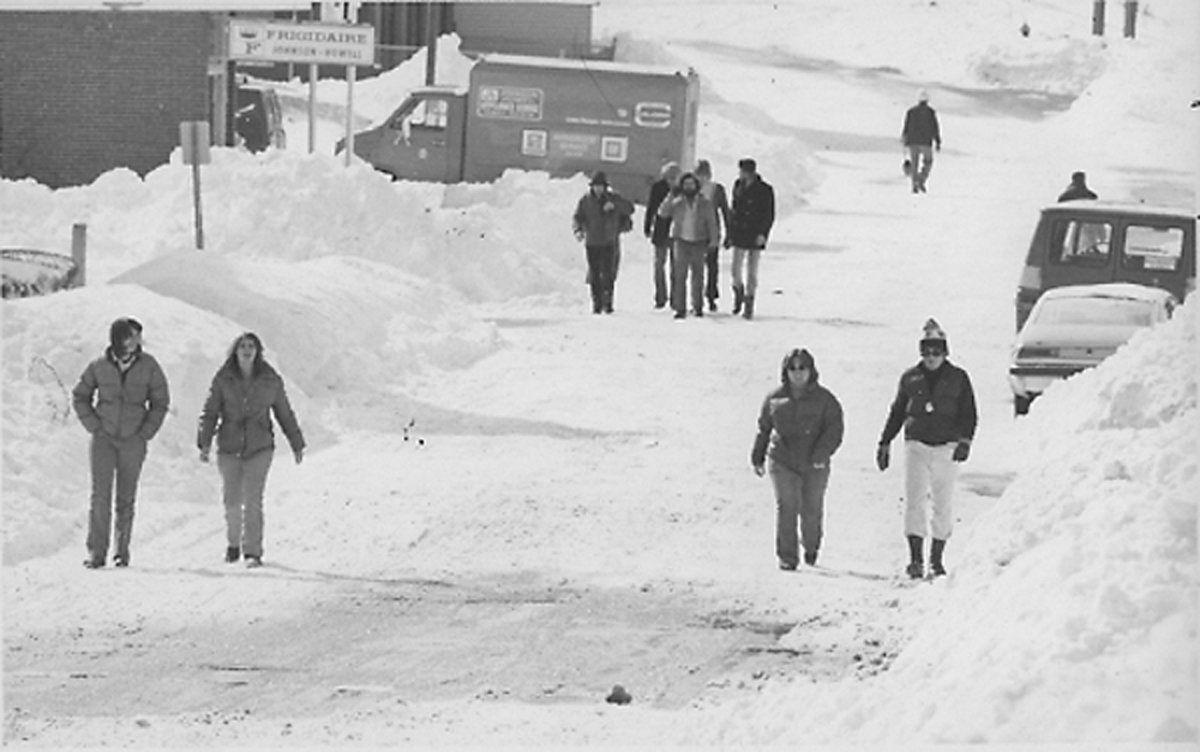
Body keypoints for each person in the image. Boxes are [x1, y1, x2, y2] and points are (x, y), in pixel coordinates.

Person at [875, 319, 977, 579]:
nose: (931, 358)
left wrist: (965, 441)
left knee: (942, 502)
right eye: (926, 352)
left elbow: (969, 412)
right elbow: (897, 411)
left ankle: (937, 558)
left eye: (936, 352)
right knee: (914, 499)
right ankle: (915, 558)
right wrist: (885, 442)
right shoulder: (911, 378)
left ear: (945, 353)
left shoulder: (958, 378)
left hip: (947, 446)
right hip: (917, 444)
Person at [197, 333, 305, 568]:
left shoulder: (270, 380)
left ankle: (253, 551)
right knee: (232, 501)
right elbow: (210, 411)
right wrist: (204, 442)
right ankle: (233, 544)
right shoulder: (223, 378)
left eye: (251, 346)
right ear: (235, 351)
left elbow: (284, 412)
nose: (247, 350)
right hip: (229, 446)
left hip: (260, 447)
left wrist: (296, 442)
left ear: (258, 352)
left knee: (253, 500)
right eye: (242, 346)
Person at [72, 317, 170, 569]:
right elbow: (80, 396)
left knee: (126, 497)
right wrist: (94, 426)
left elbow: (160, 402)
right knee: (100, 496)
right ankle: (96, 553)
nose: (136, 341)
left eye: (138, 336)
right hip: (104, 440)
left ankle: (121, 552)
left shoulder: (149, 366)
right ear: (118, 338)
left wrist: (144, 433)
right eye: (131, 336)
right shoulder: (98, 366)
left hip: (133, 441)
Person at [751, 348, 844, 570]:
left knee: (811, 508)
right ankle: (787, 557)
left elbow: (834, 429)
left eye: (803, 367)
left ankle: (811, 547)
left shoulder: (825, 400)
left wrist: (822, 453)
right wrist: (758, 455)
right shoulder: (775, 399)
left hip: (814, 463)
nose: (798, 373)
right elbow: (764, 428)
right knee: (787, 505)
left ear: (811, 370)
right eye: (792, 368)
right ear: (785, 372)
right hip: (783, 460)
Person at [657, 171, 719, 319]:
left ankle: (697, 306)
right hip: (681, 241)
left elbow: (712, 223)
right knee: (679, 276)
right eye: (686, 184)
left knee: (698, 275)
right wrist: (671, 195)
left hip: (699, 241)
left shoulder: (705, 203)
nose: (689, 187)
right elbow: (662, 213)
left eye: (691, 184)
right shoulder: (677, 202)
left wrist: (714, 240)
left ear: (696, 186)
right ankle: (680, 308)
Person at [573, 171, 634, 315]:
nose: (598, 189)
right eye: (596, 186)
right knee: (594, 273)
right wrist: (578, 230)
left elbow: (630, 208)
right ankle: (596, 303)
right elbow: (578, 217)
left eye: (601, 186)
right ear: (592, 187)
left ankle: (608, 302)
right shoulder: (585, 201)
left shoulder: (613, 198)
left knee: (608, 273)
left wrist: (614, 205)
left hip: (609, 241)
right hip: (592, 241)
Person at [727, 158, 775, 320]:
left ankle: (749, 300)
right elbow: (734, 209)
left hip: (755, 232)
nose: (742, 174)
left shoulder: (765, 189)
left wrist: (763, 233)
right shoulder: (738, 185)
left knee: (752, 271)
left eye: (744, 172)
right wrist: (730, 232)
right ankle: (738, 290)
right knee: (735, 269)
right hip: (740, 231)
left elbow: (768, 214)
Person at [695, 159, 730, 313]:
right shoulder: (691, 188)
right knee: (696, 266)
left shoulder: (717, 189)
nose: (702, 178)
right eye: (699, 175)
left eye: (704, 175)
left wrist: (730, 233)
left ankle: (710, 295)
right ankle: (696, 296)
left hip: (712, 232)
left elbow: (725, 211)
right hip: (694, 231)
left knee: (712, 265)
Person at [645, 162, 681, 309]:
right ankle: (660, 296)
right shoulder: (658, 187)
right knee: (659, 264)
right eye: (669, 177)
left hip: (676, 231)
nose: (671, 180)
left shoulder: (681, 189)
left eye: (674, 177)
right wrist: (647, 225)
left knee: (676, 266)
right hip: (660, 229)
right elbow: (651, 206)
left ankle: (675, 297)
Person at [901, 90, 941, 193]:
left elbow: (906, 126)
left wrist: (905, 139)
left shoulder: (911, 111)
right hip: (925, 142)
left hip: (912, 141)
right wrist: (937, 141)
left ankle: (914, 184)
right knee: (928, 161)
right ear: (927, 101)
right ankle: (921, 179)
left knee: (914, 163)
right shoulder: (930, 112)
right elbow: (935, 127)